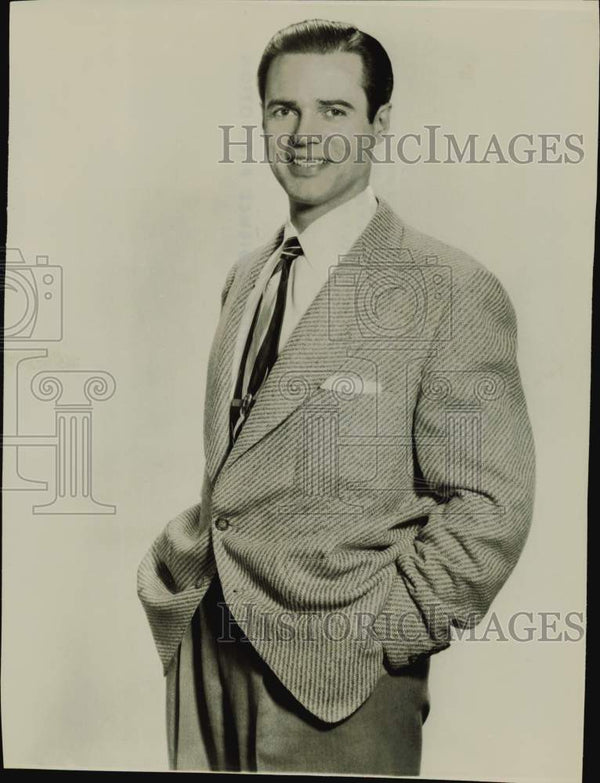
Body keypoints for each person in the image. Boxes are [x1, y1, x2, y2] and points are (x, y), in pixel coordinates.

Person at [137, 18, 535, 775]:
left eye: (334, 110)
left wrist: (389, 632)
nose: (304, 133)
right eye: (284, 110)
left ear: (379, 124)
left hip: (340, 681)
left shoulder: (448, 288)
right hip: (205, 653)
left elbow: (491, 505)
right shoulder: (248, 275)